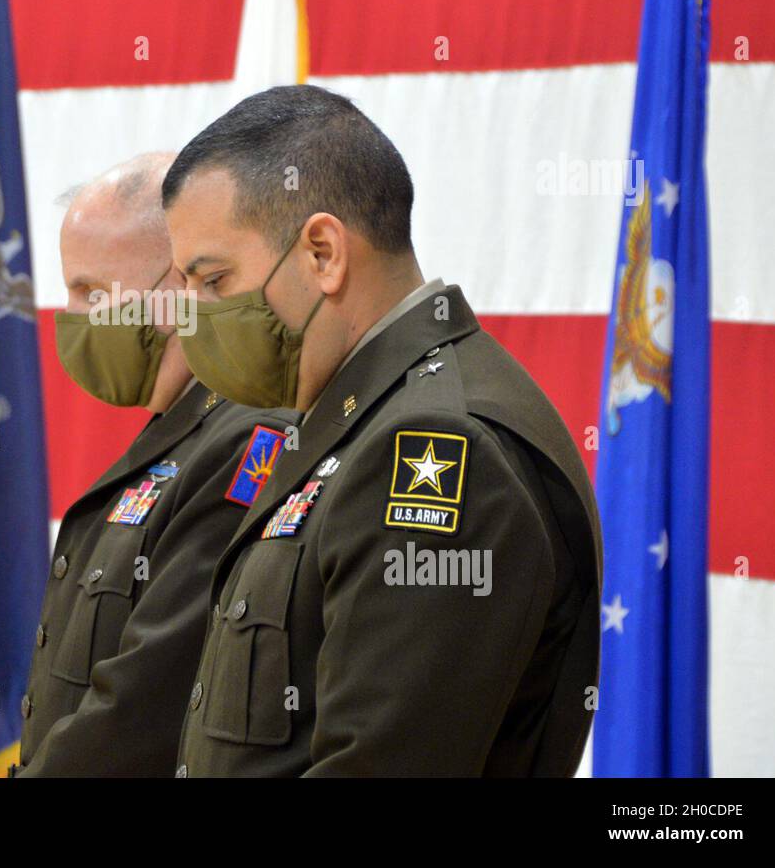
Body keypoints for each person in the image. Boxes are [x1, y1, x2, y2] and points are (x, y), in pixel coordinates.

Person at [161, 85, 602, 777]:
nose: (192, 319)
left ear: (322, 253)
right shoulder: (356, 420)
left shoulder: (433, 448)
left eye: (213, 280)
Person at [13, 153, 297, 776]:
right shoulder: (175, 435)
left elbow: (143, 710)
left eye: (90, 291)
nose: (71, 317)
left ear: (174, 293)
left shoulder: (246, 441)